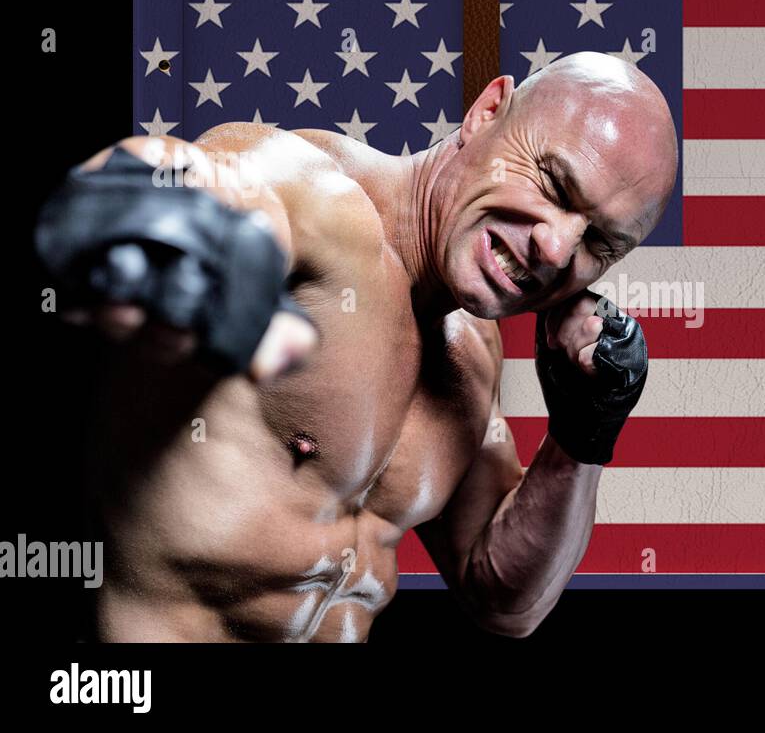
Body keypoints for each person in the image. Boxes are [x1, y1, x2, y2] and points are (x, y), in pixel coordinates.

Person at [34, 52, 678, 642]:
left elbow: (506, 602)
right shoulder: (318, 204)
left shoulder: (472, 355)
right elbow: (220, 186)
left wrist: (582, 433)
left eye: (601, 243)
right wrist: (150, 215)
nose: (559, 249)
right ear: (485, 114)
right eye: (554, 185)